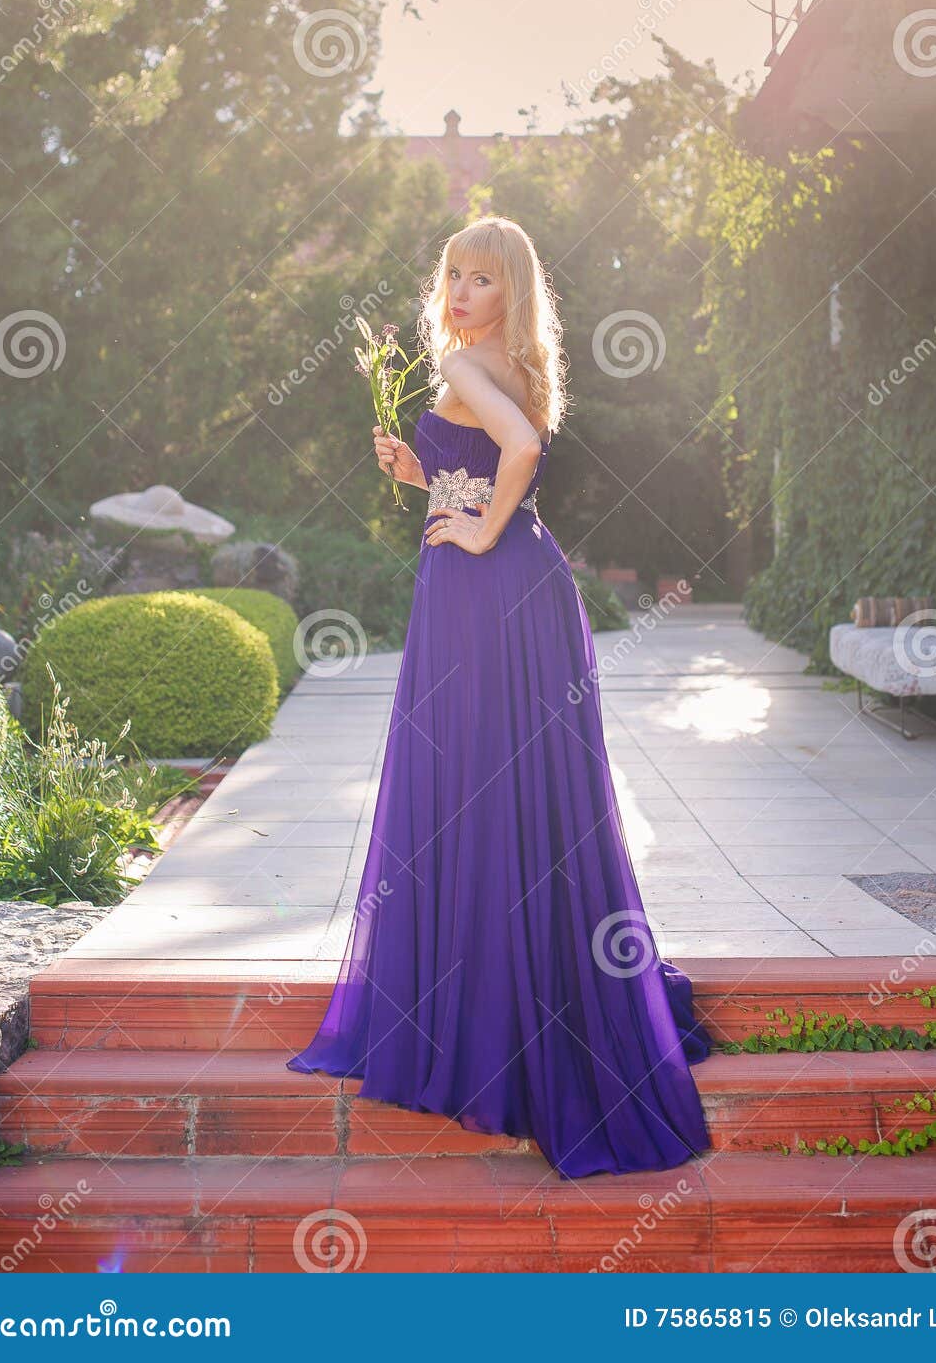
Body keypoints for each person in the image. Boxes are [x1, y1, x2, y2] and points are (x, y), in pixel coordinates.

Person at [286, 216, 711, 1178]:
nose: (460, 291)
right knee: (513, 794)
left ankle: (479, 1024)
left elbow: (517, 451)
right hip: (521, 589)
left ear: (512, 292)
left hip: (486, 590)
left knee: (475, 785)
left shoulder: (472, 364)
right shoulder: (503, 364)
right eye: (452, 274)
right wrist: (426, 471)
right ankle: (526, 999)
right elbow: (489, 457)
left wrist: (474, 533)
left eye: (482, 279)